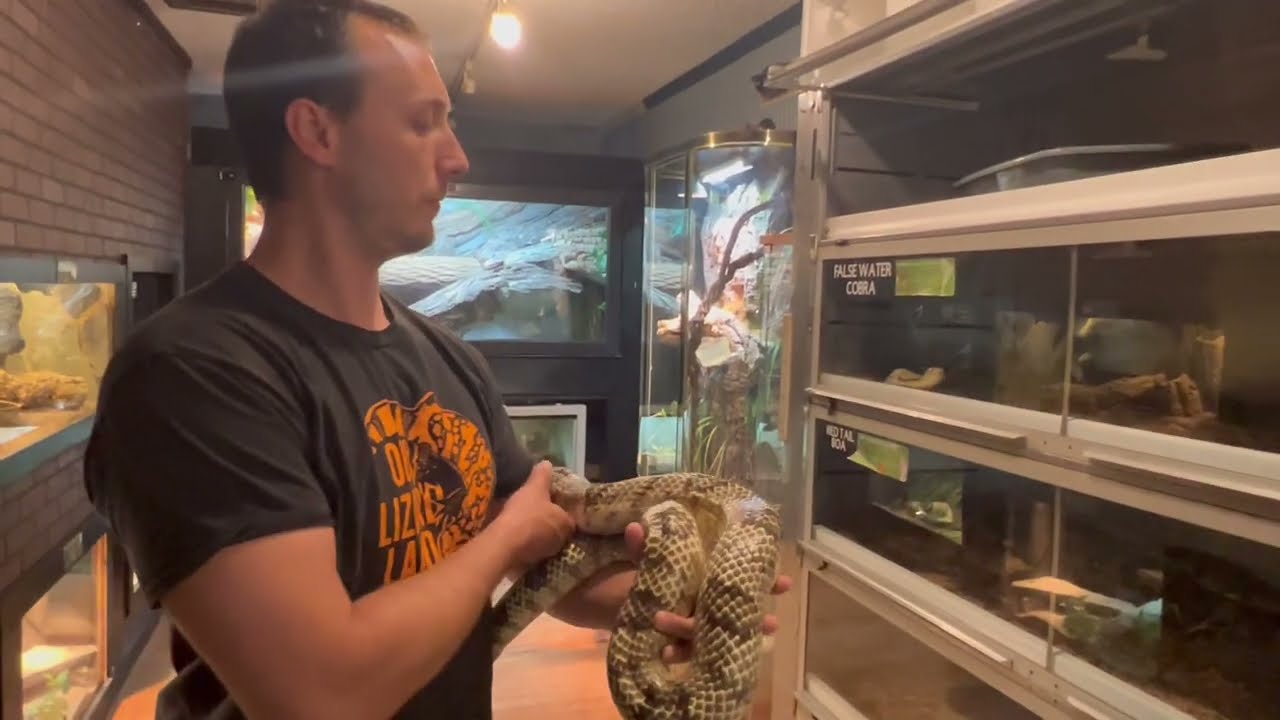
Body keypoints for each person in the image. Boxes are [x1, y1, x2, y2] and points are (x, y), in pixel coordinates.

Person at [82, 1, 790, 719]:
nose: (456, 157)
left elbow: (545, 554)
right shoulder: (190, 374)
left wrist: (685, 593)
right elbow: (322, 696)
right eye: (423, 123)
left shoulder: (448, 361)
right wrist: (504, 541)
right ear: (317, 131)